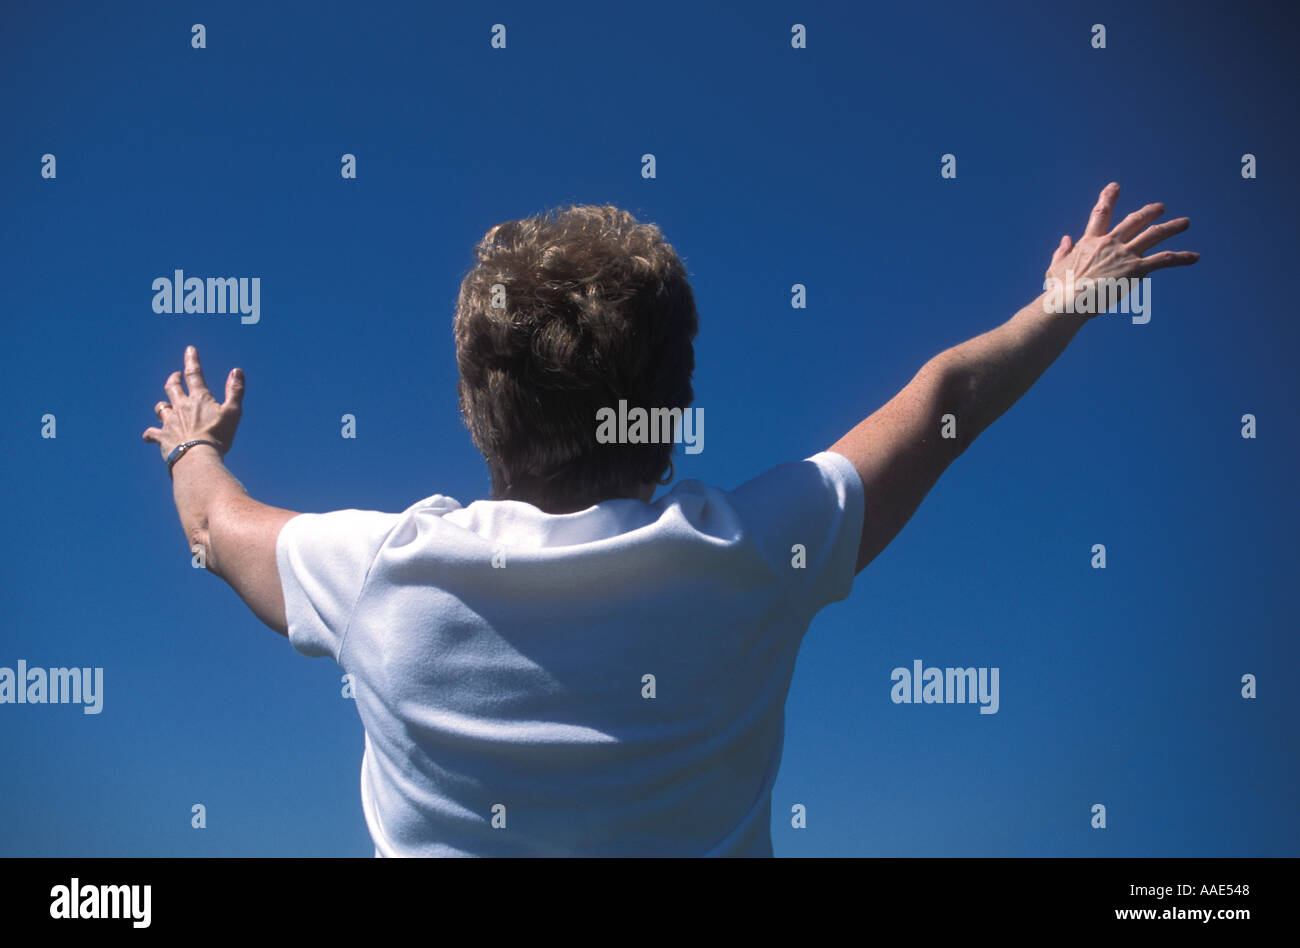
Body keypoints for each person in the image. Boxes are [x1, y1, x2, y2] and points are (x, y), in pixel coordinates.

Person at [142, 184, 1198, 856]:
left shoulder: (375, 574)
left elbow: (218, 527)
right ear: (671, 410)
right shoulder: (751, 553)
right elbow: (938, 404)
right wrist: (1062, 304)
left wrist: (196, 441)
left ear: (474, 410)